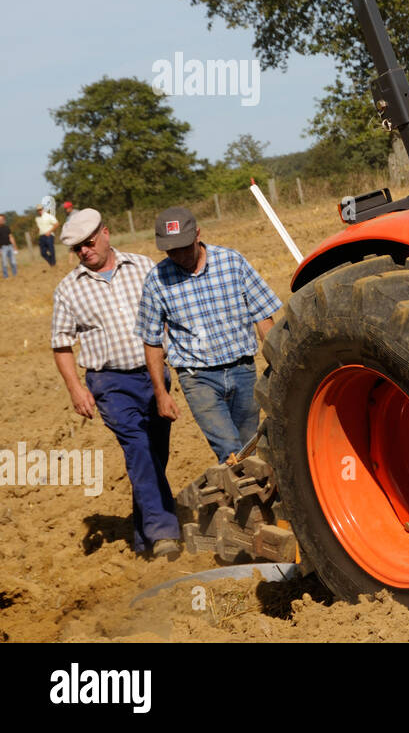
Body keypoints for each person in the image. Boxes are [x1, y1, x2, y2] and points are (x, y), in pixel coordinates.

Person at [50, 209, 182, 560]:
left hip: (154, 376)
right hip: (109, 383)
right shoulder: (69, 289)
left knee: (156, 457)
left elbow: (169, 311)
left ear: (106, 233)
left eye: (89, 243)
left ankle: (143, 539)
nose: (84, 251)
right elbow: (61, 345)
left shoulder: (142, 267)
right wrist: (76, 389)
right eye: (77, 248)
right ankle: (165, 533)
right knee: (138, 451)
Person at [137, 206, 281, 464]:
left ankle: (254, 499)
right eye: (171, 250)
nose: (179, 255)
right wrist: (161, 393)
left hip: (242, 370)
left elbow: (262, 315)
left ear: (197, 235)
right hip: (197, 378)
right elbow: (151, 340)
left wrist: (279, 365)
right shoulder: (156, 280)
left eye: (183, 247)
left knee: (251, 449)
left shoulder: (231, 262)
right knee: (231, 454)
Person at [0, 215, 16, 279]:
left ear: (4, 220)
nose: (1, 221)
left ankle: (15, 275)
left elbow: (11, 237)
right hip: (3, 248)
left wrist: (14, 246)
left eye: (2, 219)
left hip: (10, 246)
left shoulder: (7, 228)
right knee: (4, 262)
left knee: (13, 261)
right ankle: (5, 276)